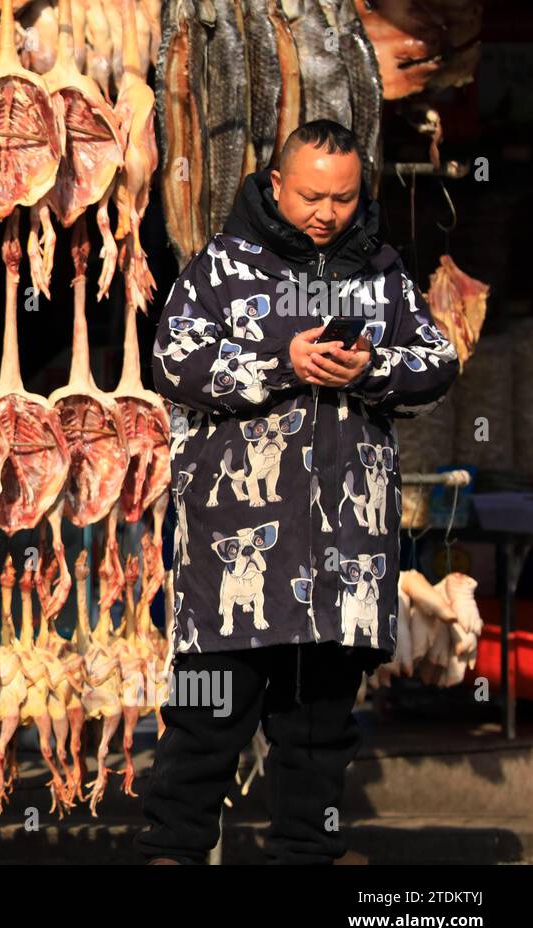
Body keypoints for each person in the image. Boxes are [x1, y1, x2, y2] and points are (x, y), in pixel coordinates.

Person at [136, 120, 459, 864]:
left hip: (345, 567)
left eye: (344, 198)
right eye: (312, 195)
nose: (327, 213)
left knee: (317, 741)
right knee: (201, 729)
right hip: (233, 562)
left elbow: (436, 362)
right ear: (277, 185)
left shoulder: (381, 269)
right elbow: (173, 362)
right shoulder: (220, 266)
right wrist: (283, 362)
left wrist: (372, 369)